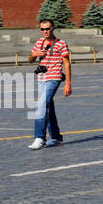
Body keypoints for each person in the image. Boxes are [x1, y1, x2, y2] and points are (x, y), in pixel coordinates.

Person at [27, 20, 72, 149]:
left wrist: (68, 83)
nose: (45, 31)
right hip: (41, 78)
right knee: (47, 106)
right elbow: (30, 60)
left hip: (54, 77)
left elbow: (67, 63)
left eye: (47, 29)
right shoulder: (39, 42)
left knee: (41, 105)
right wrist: (34, 55)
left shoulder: (61, 44)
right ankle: (56, 137)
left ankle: (39, 138)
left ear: (53, 28)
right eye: (42, 29)